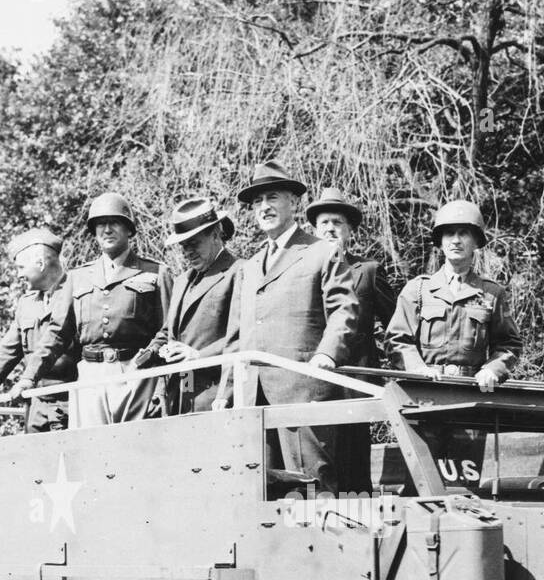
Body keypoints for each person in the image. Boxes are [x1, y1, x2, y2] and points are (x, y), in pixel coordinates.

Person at [222, 160, 360, 493]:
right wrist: (227, 391)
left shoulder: (320, 252)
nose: (264, 207)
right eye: (257, 201)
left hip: (302, 392)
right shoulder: (249, 266)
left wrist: (327, 355)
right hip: (253, 399)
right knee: (261, 493)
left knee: (313, 490)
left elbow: (345, 310)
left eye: (272, 197)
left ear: (293, 202)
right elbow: (237, 335)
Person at [14, 193, 173, 427]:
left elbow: (169, 330)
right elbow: (58, 333)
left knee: (134, 447)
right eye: (100, 224)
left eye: (114, 222)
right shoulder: (77, 277)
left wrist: (160, 383)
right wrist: (29, 377)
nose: (107, 230)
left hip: (138, 372)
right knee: (93, 450)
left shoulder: (156, 273)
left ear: (129, 230)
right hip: (90, 376)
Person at [385, 200, 522, 391]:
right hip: (424, 387)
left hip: (474, 389)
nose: (456, 240)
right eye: (449, 233)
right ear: (440, 242)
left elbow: (509, 344)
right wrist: (417, 368)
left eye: (464, 233)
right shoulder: (418, 289)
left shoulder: (492, 293)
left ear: (476, 242)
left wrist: (492, 370)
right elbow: (397, 339)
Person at [0, 227, 75, 433]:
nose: (19, 274)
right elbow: (8, 350)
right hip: (37, 405)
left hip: (72, 400)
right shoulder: (26, 304)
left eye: (21, 267)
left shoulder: (77, 292)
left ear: (40, 264)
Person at [142, 198, 240, 414]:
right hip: (179, 397)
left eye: (194, 243)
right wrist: (152, 352)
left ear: (216, 234)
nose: (187, 252)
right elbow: (168, 330)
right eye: (183, 246)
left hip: (216, 397)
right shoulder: (182, 281)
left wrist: (198, 356)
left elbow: (243, 336)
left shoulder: (238, 272)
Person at [305, 187, 397, 368]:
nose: (330, 229)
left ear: (349, 230)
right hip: (314, 374)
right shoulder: (304, 271)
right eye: (324, 223)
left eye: (337, 222)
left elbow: (394, 326)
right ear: (315, 230)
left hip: (357, 375)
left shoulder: (369, 270)